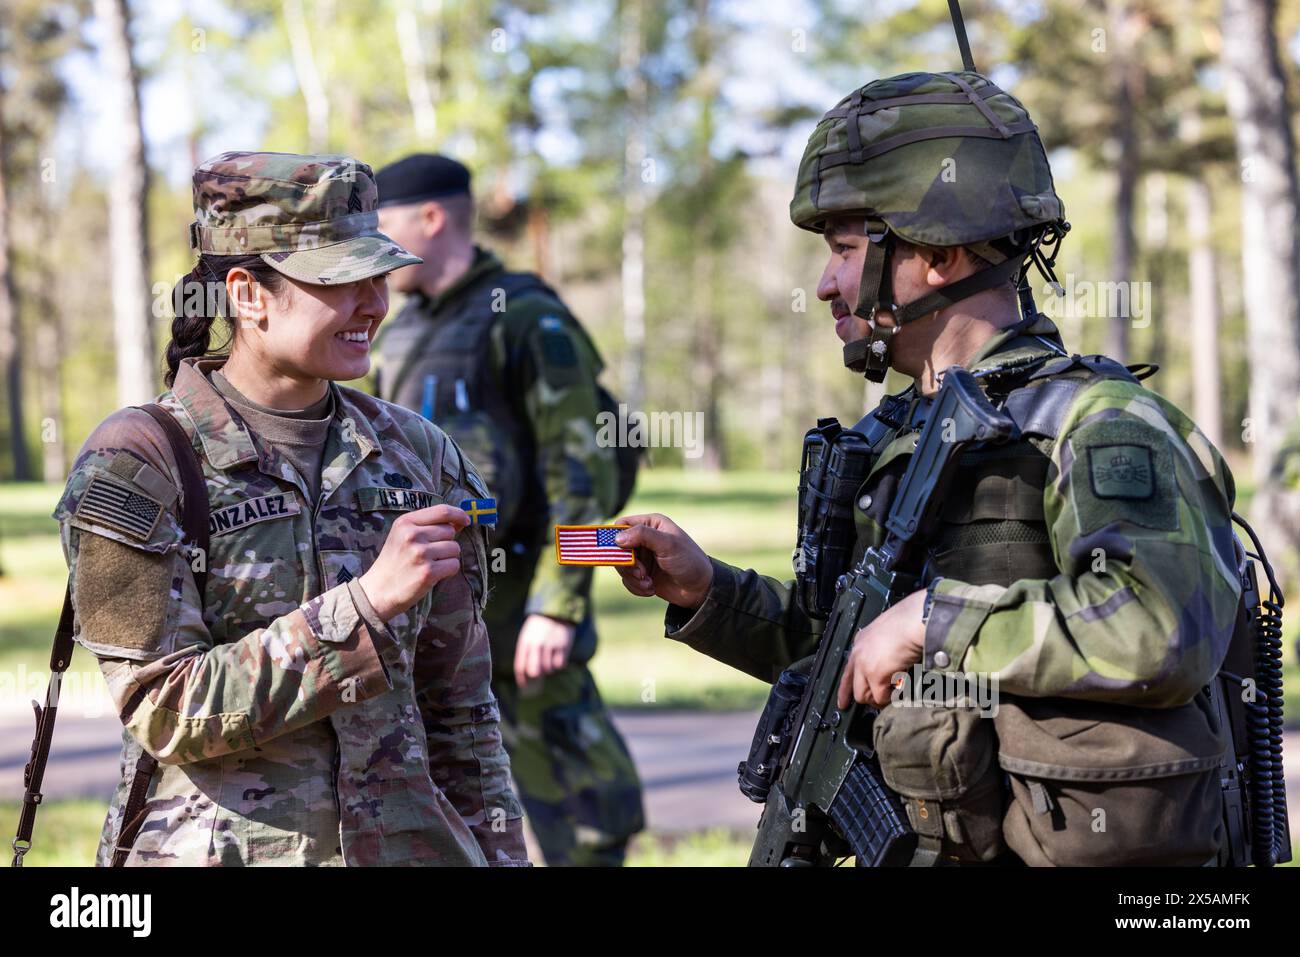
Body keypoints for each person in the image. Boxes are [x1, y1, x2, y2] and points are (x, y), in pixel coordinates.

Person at [613, 71, 1243, 865]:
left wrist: (933, 622)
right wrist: (710, 590)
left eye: (845, 249)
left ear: (939, 253)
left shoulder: (1097, 424)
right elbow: (853, 652)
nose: (824, 284)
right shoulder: (895, 436)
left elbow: (1160, 626)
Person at [56, 150, 529, 866]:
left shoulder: (420, 454)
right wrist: (362, 608)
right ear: (248, 294)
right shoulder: (140, 462)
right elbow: (165, 705)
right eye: (341, 279)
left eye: (380, 275)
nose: (373, 303)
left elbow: (461, 713)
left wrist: (503, 856)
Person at [371, 154, 644, 866]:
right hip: (435, 608)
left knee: (580, 813)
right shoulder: (397, 333)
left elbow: (581, 478)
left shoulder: (526, 318)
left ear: (431, 219)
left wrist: (560, 604)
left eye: (382, 225)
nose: (370, 245)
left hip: (525, 606)